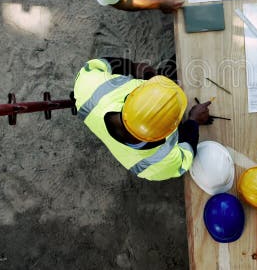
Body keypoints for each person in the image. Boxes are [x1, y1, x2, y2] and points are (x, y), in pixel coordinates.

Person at [73, 57, 211, 181]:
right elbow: (185, 157)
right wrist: (193, 121)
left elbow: (102, 64)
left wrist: (134, 67)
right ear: (169, 131)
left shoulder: (89, 86)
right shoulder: (160, 164)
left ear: (131, 97)